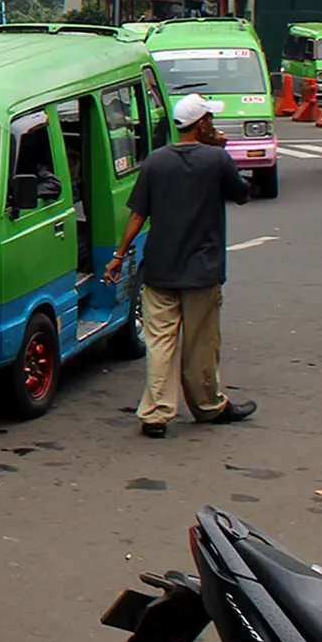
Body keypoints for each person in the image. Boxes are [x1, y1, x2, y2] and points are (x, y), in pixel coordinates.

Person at [104, 93, 257, 439]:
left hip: (161, 267)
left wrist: (118, 255)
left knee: (160, 343)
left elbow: (138, 214)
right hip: (202, 270)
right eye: (210, 120)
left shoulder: (156, 162)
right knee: (201, 343)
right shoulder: (215, 159)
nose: (213, 125)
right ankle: (207, 405)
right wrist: (224, 148)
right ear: (201, 124)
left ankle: (157, 413)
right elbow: (242, 193)